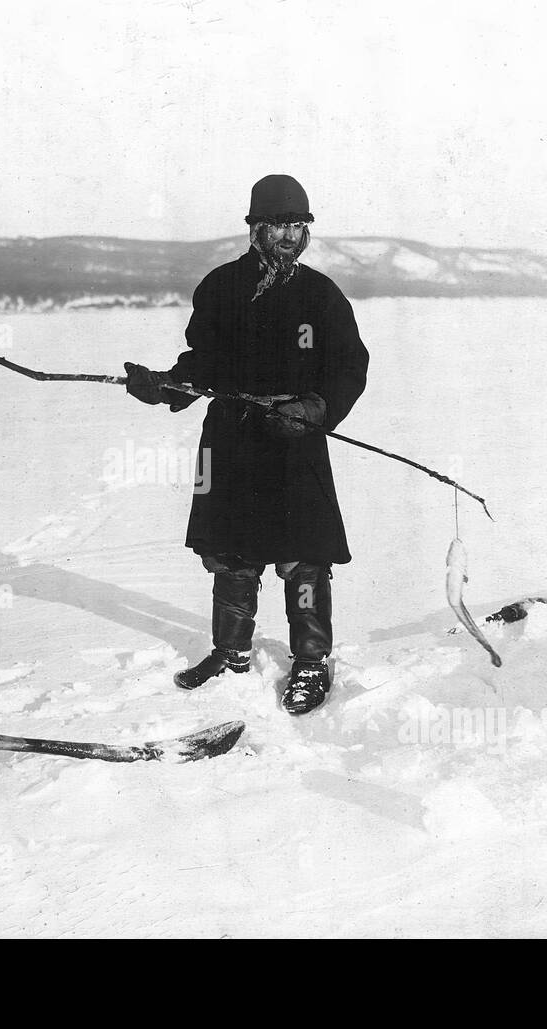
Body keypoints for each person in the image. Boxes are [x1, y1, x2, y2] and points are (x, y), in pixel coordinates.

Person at [125, 174, 369, 715]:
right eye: (282, 224)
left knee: (305, 556)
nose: (292, 235)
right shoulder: (220, 287)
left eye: (301, 225)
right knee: (230, 552)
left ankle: (311, 660)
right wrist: (165, 385)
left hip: (294, 438)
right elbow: (202, 362)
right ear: (256, 227)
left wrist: (317, 408)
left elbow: (351, 365)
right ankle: (229, 651)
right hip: (233, 435)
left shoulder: (320, 294)